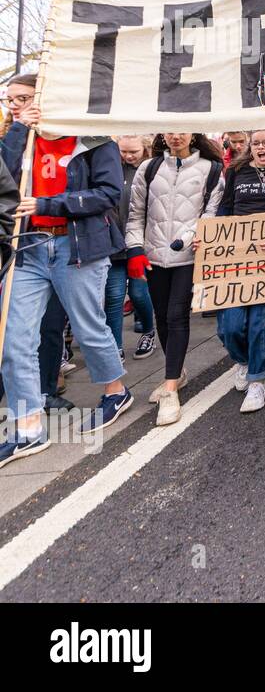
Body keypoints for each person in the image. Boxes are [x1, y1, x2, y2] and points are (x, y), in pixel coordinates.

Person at [0, 81, 135, 467]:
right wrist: (18, 129)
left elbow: (108, 194)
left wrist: (48, 203)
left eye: (25, 99)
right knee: (14, 336)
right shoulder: (20, 138)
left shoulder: (93, 139)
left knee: (88, 324)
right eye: (11, 101)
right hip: (27, 247)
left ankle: (115, 391)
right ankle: (27, 428)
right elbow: (3, 178)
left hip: (75, 246)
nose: (17, 106)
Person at [125, 133, 225, 426]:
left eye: (182, 129)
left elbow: (210, 214)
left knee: (177, 315)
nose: (176, 135)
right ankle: (177, 371)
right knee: (161, 318)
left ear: (193, 134)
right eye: (170, 129)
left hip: (188, 256)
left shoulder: (211, 169)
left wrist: (190, 238)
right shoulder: (149, 168)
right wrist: (134, 248)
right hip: (153, 256)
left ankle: (170, 387)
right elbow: (135, 214)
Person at [215, 130, 265, 413]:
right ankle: (243, 360)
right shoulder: (236, 171)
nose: (261, 147)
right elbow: (226, 208)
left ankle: (258, 380)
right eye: (256, 143)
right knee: (229, 325)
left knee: (262, 321)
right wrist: (211, 235)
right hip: (236, 256)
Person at [108, 136, 156, 360]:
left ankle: (148, 331)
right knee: (114, 297)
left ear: (144, 148)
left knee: (138, 293)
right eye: (123, 151)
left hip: (139, 243)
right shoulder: (112, 169)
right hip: (114, 243)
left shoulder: (150, 169)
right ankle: (115, 346)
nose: (127, 156)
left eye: (133, 151)